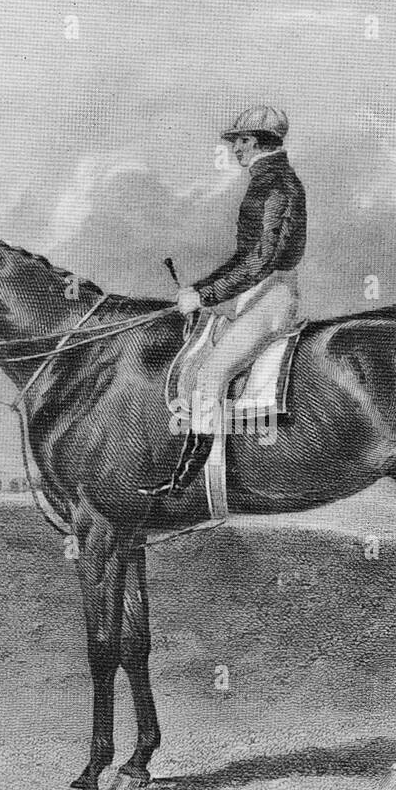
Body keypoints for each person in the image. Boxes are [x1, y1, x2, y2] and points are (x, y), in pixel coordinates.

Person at [141, 104, 307, 497]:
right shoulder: (265, 180)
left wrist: (205, 294)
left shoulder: (276, 185)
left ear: (258, 142)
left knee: (210, 375)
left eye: (241, 141)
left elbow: (261, 259)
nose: (235, 149)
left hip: (272, 296)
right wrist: (199, 292)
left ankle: (187, 480)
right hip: (254, 292)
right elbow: (244, 258)